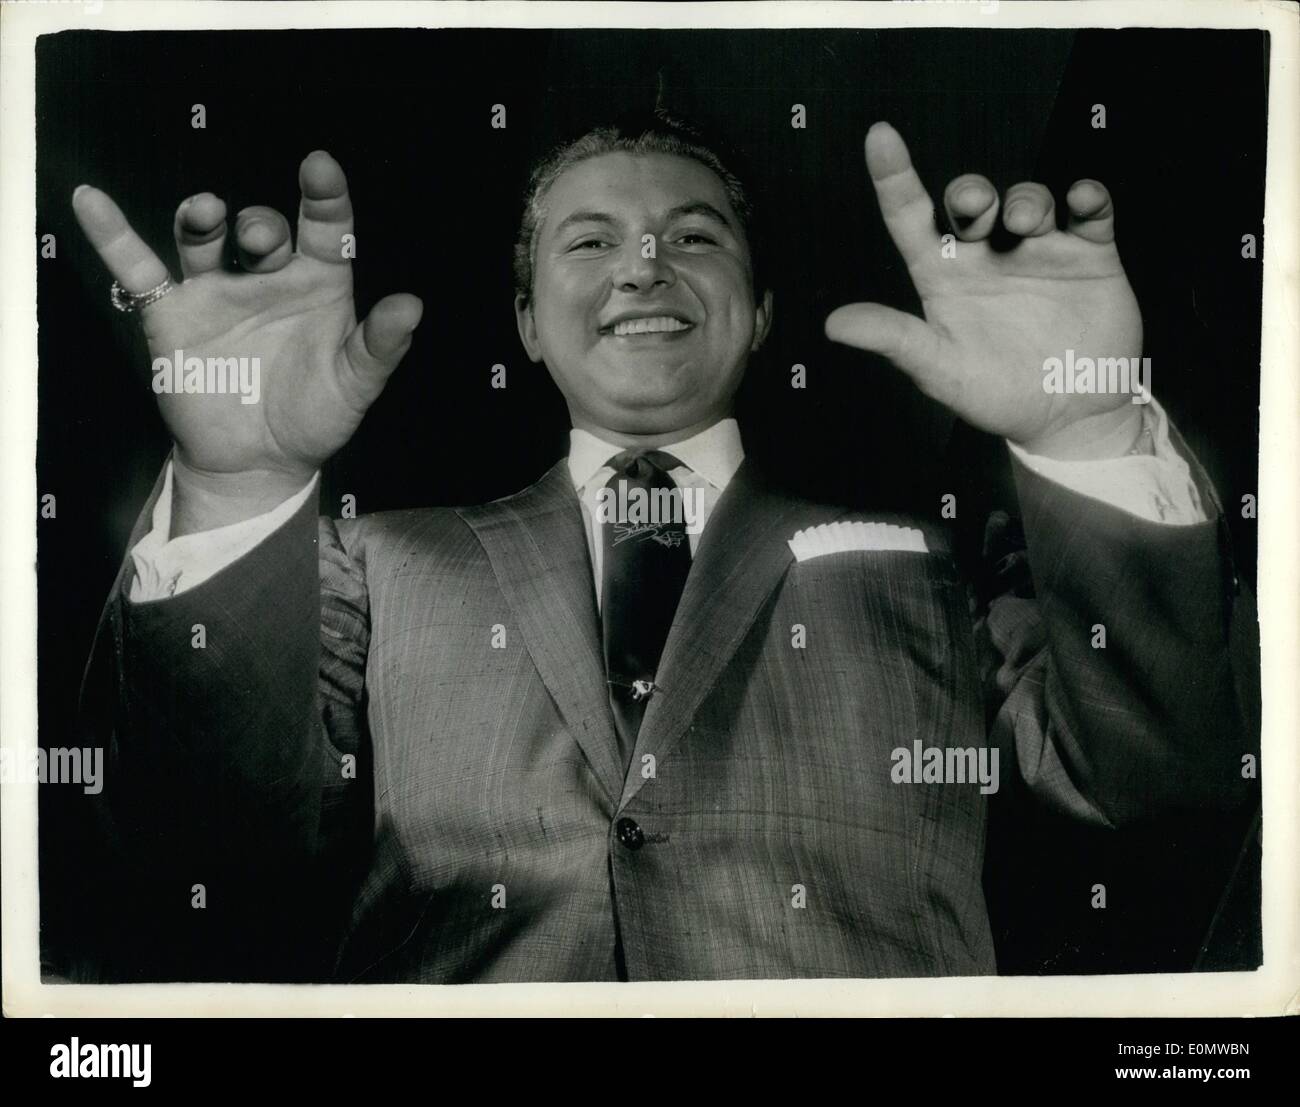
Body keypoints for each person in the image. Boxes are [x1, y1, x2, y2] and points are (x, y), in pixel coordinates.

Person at [62, 111, 1256, 982]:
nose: (642, 265)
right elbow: (197, 838)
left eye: (693, 237)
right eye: (589, 244)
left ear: (763, 313)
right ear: (525, 322)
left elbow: (1155, 794)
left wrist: (1087, 418)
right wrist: (243, 478)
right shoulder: (375, 563)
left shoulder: (934, 564)